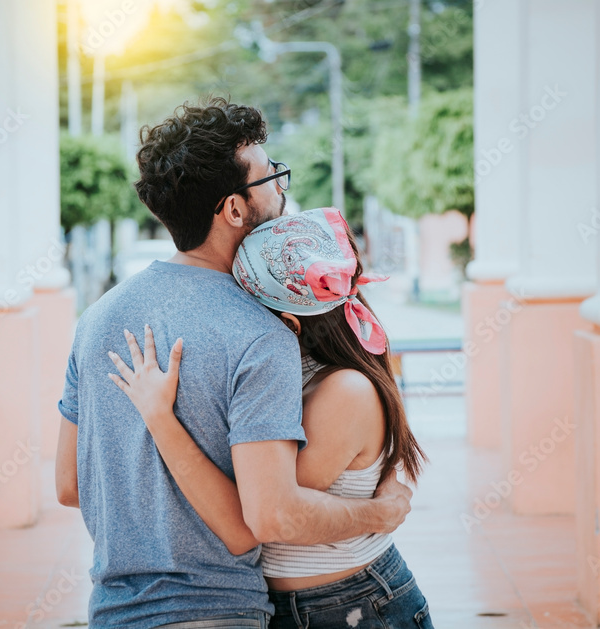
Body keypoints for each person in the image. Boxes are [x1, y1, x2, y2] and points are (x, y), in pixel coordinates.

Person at [55, 98, 414, 629]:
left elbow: (69, 486)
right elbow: (262, 522)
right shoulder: (258, 334)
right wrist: (379, 514)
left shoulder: (98, 319)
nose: (282, 190)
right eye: (272, 177)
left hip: (113, 612)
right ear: (234, 210)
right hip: (216, 612)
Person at [108, 207, 434, 629]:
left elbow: (268, 514)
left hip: (354, 604)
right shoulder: (285, 375)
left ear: (291, 323)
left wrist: (160, 418)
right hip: (289, 605)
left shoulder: (344, 390)